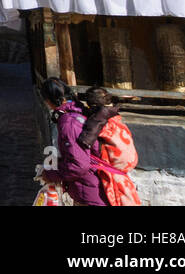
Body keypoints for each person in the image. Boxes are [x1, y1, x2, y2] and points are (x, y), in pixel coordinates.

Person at [39, 77, 107, 205]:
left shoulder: (69, 122)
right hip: (93, 188)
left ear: (49, 101)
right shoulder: (79, 112)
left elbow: (79, 165)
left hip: (88, 194)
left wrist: (51, 174)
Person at [77, 86, 141, 206]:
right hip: (121, 171)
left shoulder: (100, 122)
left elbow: (86, 140)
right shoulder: (116, 117)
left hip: (111, 171)